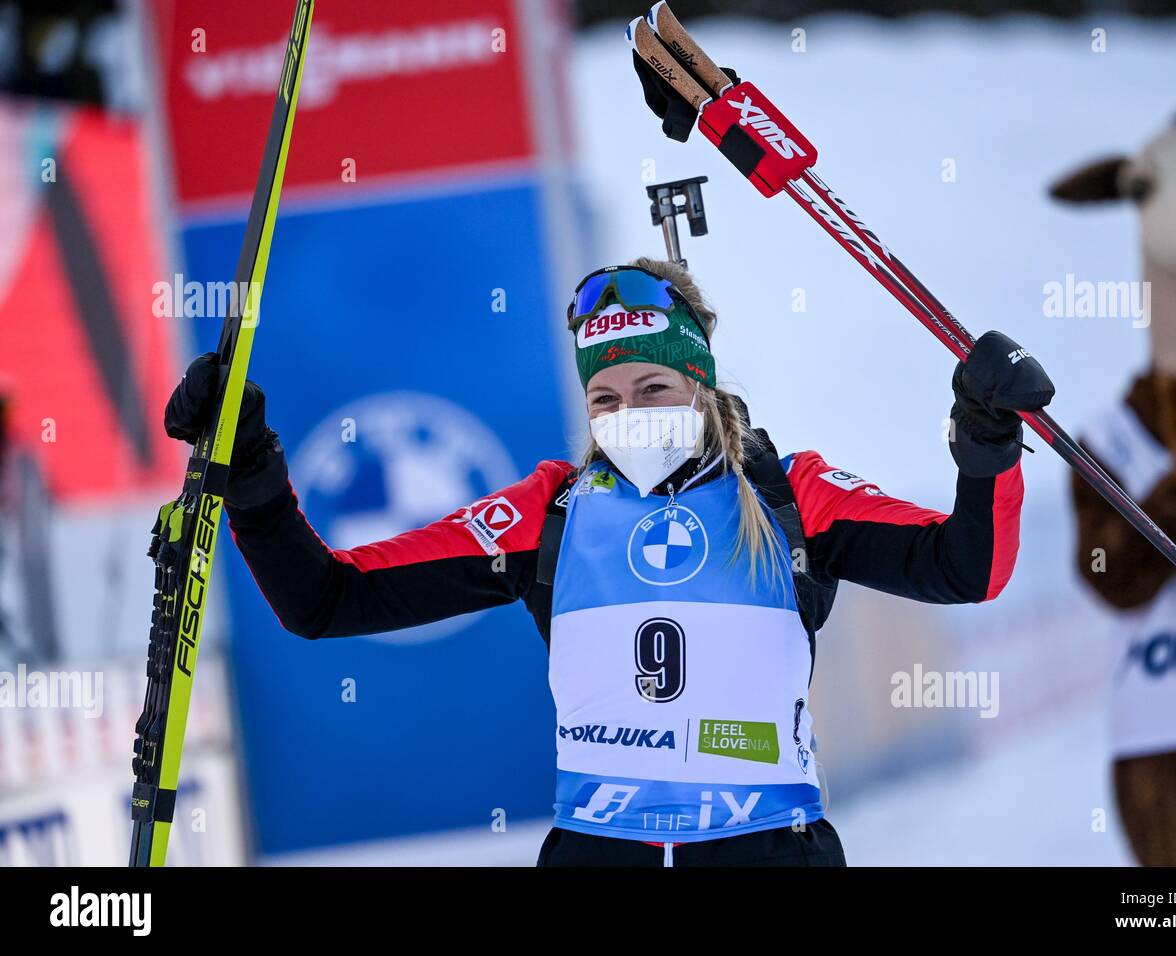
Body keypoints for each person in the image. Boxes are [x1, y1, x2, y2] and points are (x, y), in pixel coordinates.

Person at [163, 257, 1054, 866]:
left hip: (771, 850)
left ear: (701, 383)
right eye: (606, 396)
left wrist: (984, 440)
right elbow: (326, 600)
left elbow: (964, 568)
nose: (630, 412)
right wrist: (251, 472)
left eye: (655, 388)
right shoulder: (548, 512)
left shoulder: (790, 499)